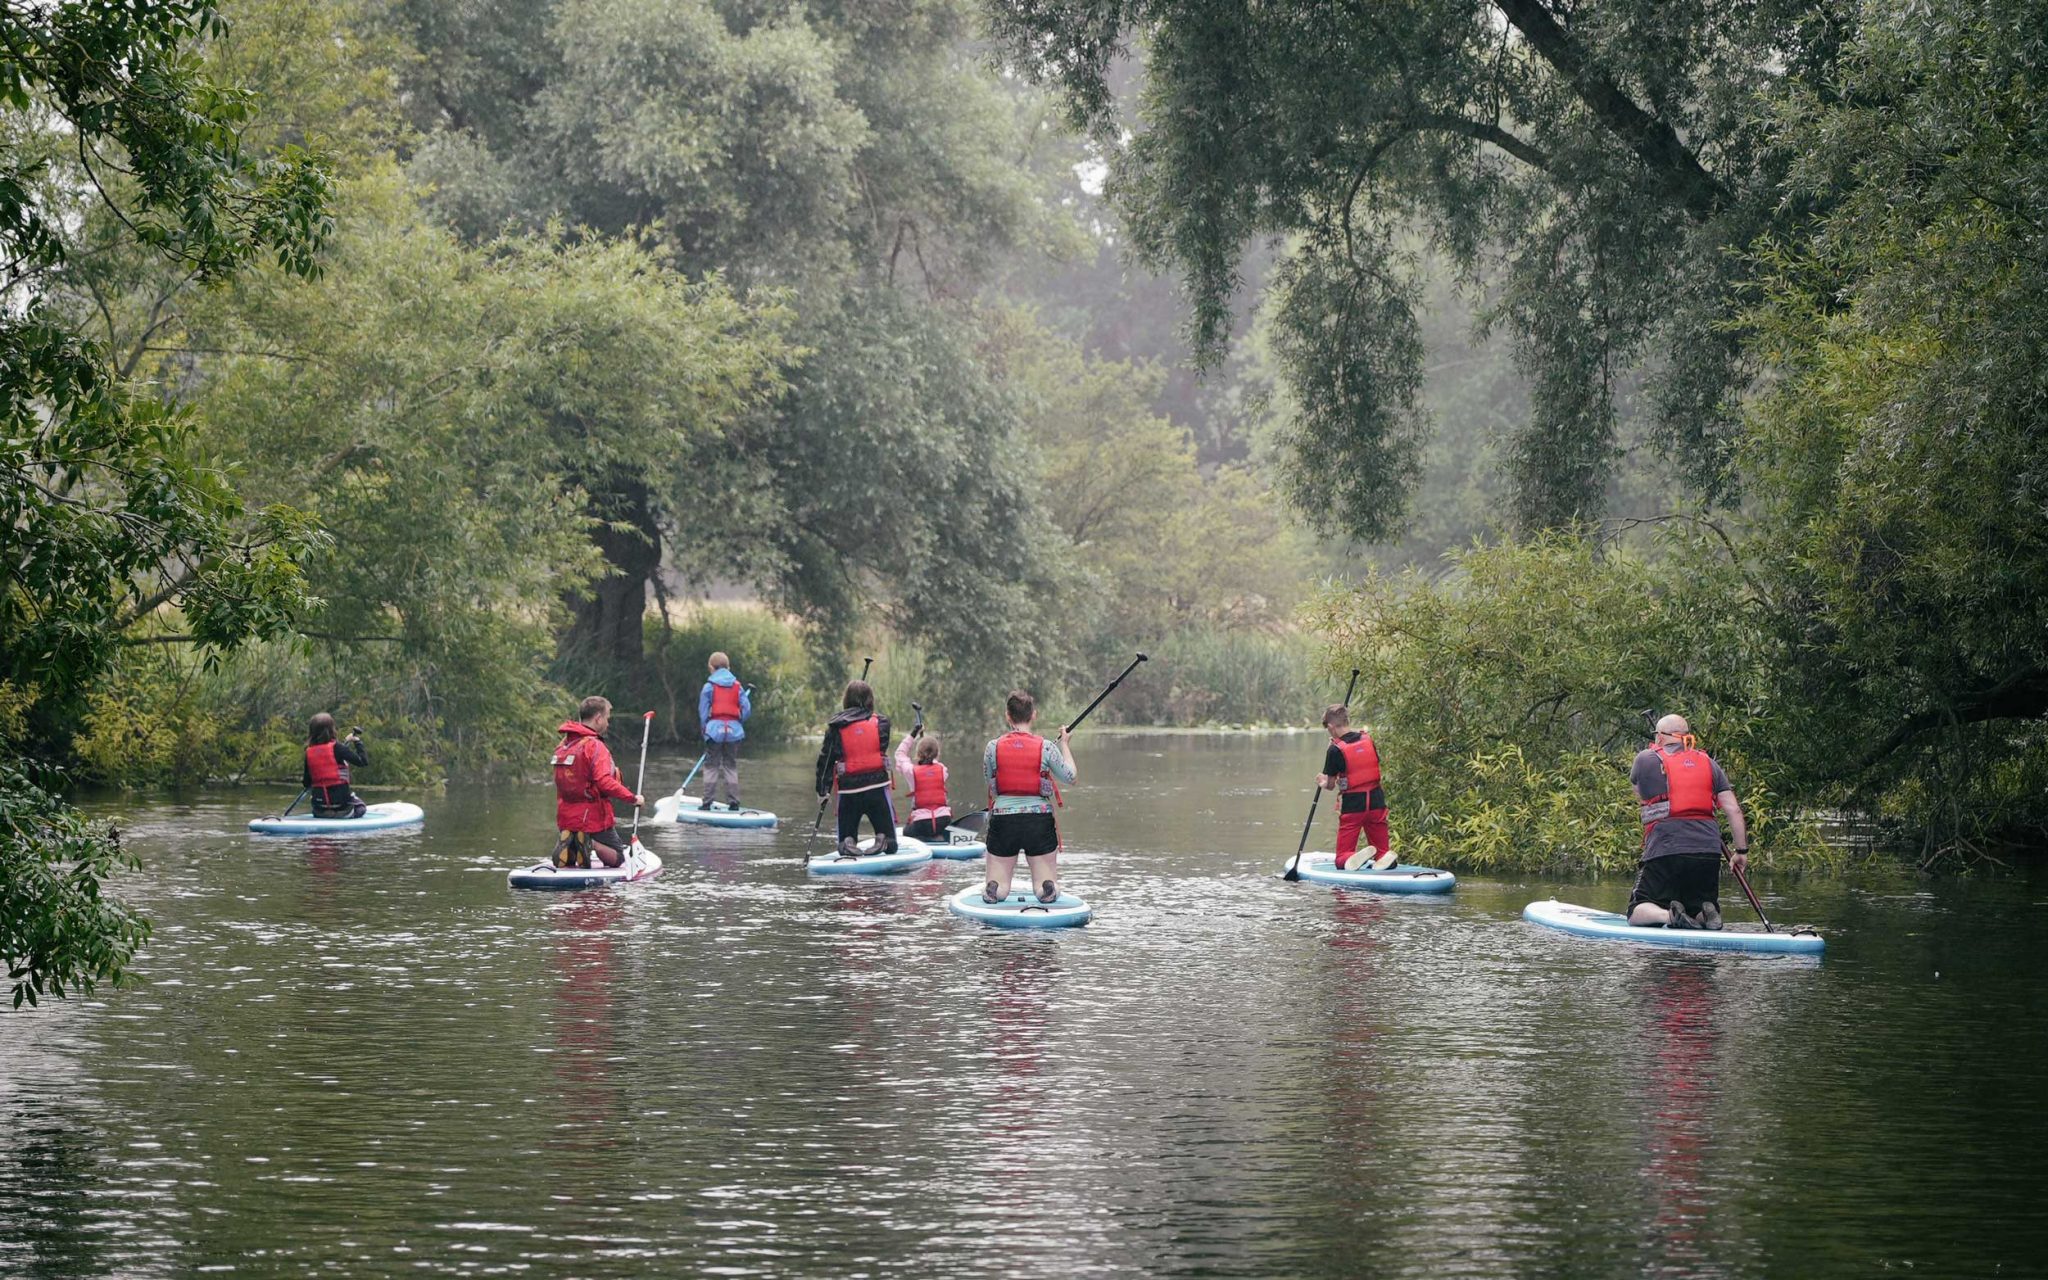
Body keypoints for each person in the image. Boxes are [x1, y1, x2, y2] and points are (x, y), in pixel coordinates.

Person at [1627, 714, 1749, 930]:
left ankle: (1670, 915)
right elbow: (1734, 809)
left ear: (1661, 737)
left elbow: (1639, 791)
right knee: (1696, 904)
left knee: (1636, 911)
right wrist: (1741, 851)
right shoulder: (1709, 763)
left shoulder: (1645, 759)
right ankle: (1705, 914)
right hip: (1708, 851)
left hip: (1665, 848)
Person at [982, 690, 1077, 904]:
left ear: (1007, 716)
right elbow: (1071, 777)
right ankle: (1047, 887)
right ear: (1033, 715)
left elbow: (991, 783)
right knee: (1041, 886)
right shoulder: (1047, 747)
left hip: (1003, 819)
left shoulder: (992, 747)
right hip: (1038, 821)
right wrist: (1064, 744)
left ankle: (994, 888)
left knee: (1001, 887)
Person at [550, 696, 645, 869]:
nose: (608, 723)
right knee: (618, 857)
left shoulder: (564, 744)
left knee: (571, 861)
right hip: (592, 818)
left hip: (565, 817)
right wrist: (632, 798)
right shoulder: (595, 746)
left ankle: (573, 843)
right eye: (607, 718)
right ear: (598, 718)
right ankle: (589, 842)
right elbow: (604, 782)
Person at [815, 680, 895, 856]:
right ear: (870, 700)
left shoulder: (836, 727)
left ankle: (848, 842)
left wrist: (822, 791)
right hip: (877, 788)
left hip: (849, 792)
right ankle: (883, 839)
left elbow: (826, 761)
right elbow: (880, 746)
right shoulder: (882, 723)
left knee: (845, 839)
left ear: (846, 700)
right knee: (892, 843)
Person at [1315, 704, 1395, 871]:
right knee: (1382, 851)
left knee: (1341, 859)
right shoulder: (1368, 739)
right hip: (1376, 801)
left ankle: (1349, 857)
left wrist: (1322, 781)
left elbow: (1330, 784)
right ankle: (1384, 856)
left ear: (1331, 726)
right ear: (1347, 720)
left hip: (1353, 805)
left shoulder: (1335, 750)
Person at [697, 652, 751, 811]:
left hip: (714, 731)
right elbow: (747, 709)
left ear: (711, 668)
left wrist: (705, 730)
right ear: (729, 667)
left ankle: (707, 802)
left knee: (711, 766)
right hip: (734, 731)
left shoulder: (708, 687)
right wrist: (738, 722)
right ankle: (734, 802)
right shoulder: (738, 686)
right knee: (730, 765)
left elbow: (703, 712)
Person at [303, 713, 368, 819]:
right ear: (332, 730)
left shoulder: (308, 752)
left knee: (315, 797)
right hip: (342, 809)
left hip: (319, 810)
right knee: (361, 807)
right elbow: (363, 761)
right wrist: (357, 742)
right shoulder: (338, 748)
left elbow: (306, 783)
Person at [895, 728, 952, 841]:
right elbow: (934, 763)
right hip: (943, 821)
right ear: (937, 754)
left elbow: (900, 754)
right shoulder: (943, 770)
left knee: (906, 832)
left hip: (922, 824)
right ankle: (937, 836)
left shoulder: (911, 772)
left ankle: (924, 838)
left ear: (918, 754)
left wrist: (913, 733)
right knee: (937, 826)